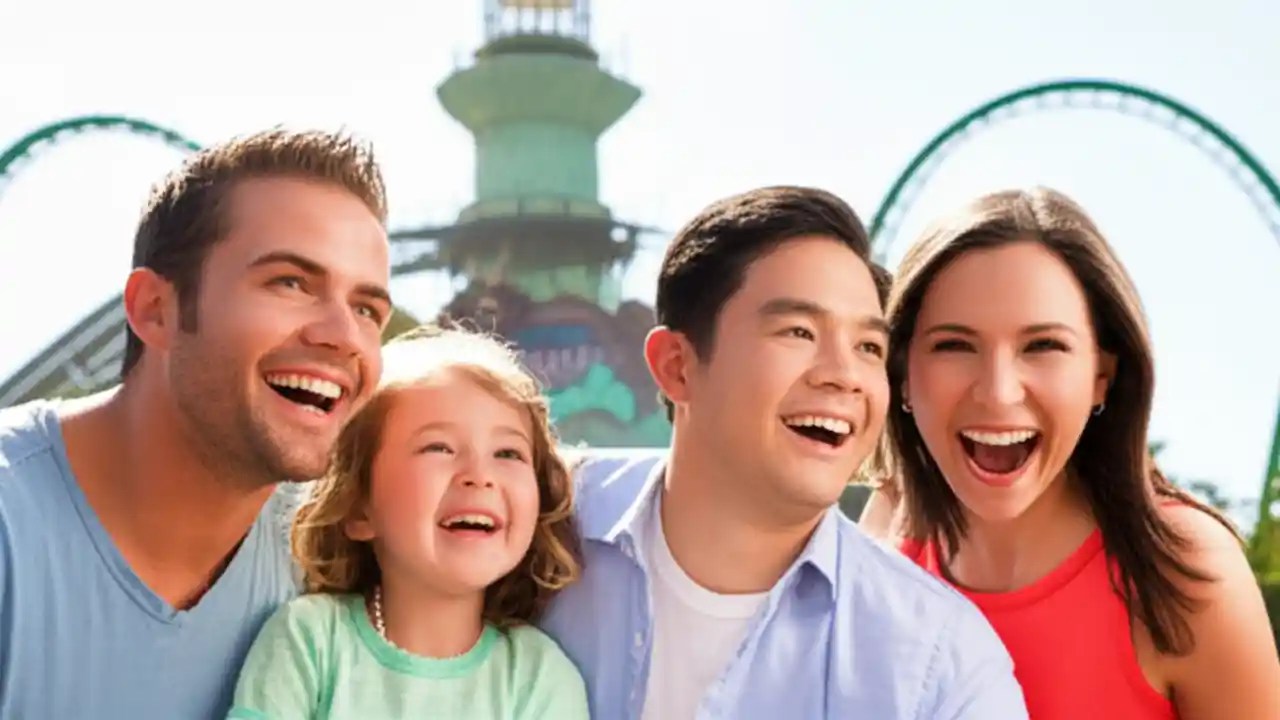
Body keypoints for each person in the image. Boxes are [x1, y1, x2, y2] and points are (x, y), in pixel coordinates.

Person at [540, 186, 1029, 718]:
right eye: (798, 331)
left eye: (869, 347)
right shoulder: (532, 526)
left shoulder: (941, 665)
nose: (844, 376)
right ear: (677, 366)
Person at [0, 128, 394, 719]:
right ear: (154, 310)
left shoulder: (338, 555)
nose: (342, 336)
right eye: (289, 282)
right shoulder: (14, 522)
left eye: (366, 309)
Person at [860, 187, 1280, 719]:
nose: (998, 391)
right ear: (901, 375)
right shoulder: (885, 541)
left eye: (1043, 346)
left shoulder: (1182, 572)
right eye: (954, 345)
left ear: (1101, 376)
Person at [226, 325, 590, 719]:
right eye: (439, 447)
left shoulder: (539, 676)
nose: (480, 475)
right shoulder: (309, 638)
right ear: (359, 508)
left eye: (508, 453)